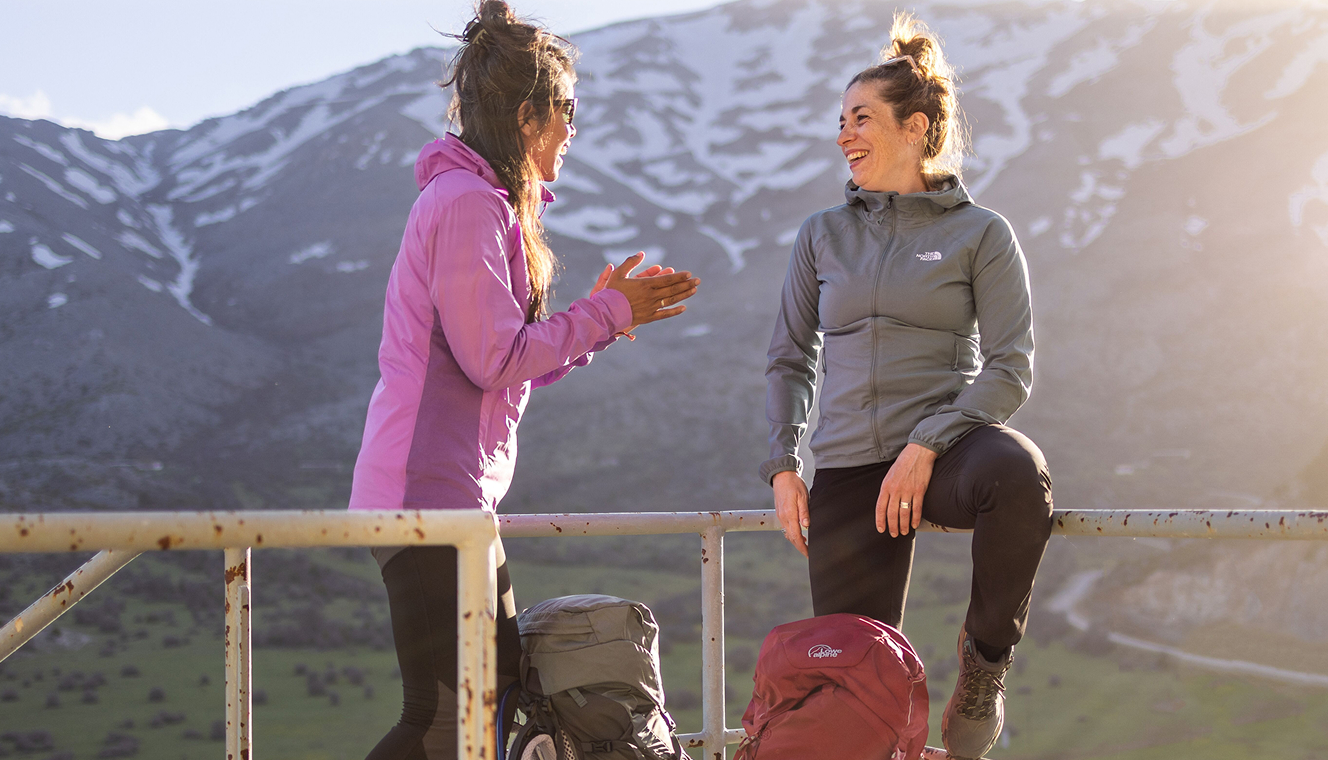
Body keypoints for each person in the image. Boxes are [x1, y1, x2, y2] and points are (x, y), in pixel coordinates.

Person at [348, 2, 699, 758]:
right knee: (445, 721)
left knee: (490, 702)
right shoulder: (470, 205)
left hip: (448, 496)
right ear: (525, 113)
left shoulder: (484, 204)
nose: (575, 128)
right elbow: (495, 360)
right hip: (425, 496)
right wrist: (605, 313)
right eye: (569, 108)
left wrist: (606, 320)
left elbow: (505, 367)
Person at [760, 13, 1051, 760]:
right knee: (854, 689)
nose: (844, 135)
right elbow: (792, 357)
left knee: (1019, 476)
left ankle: (984, 668)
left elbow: (1011, 366)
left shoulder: (980, 233)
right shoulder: (823, 234)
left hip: (949, 451)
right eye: (841, 121)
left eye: (862, 119)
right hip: (853, 468)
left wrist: (928, 443)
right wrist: (785, 465)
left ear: (915, 127)